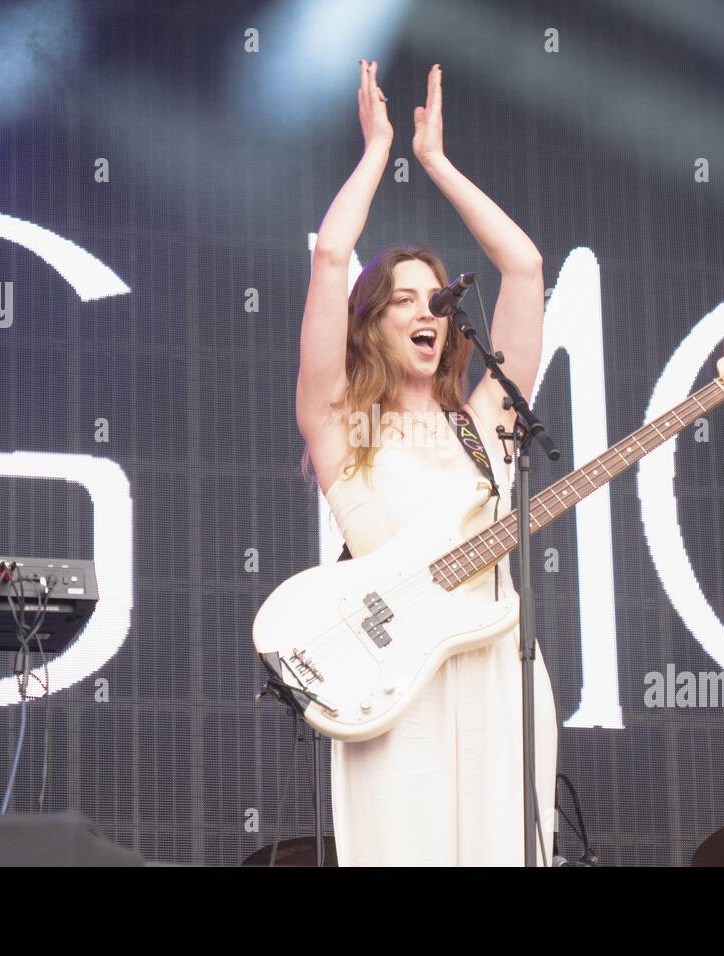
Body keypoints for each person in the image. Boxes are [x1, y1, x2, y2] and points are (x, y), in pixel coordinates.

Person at [296, 59, 557, 865]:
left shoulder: (485, 421)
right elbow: (332, 259)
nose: (428, 312)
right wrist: (380, 151)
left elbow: (524, 268)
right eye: (404, 299)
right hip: (388, 680)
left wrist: (438, 161)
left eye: (436, 299)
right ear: (370, 323)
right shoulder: (341, 422)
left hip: (497, 668)